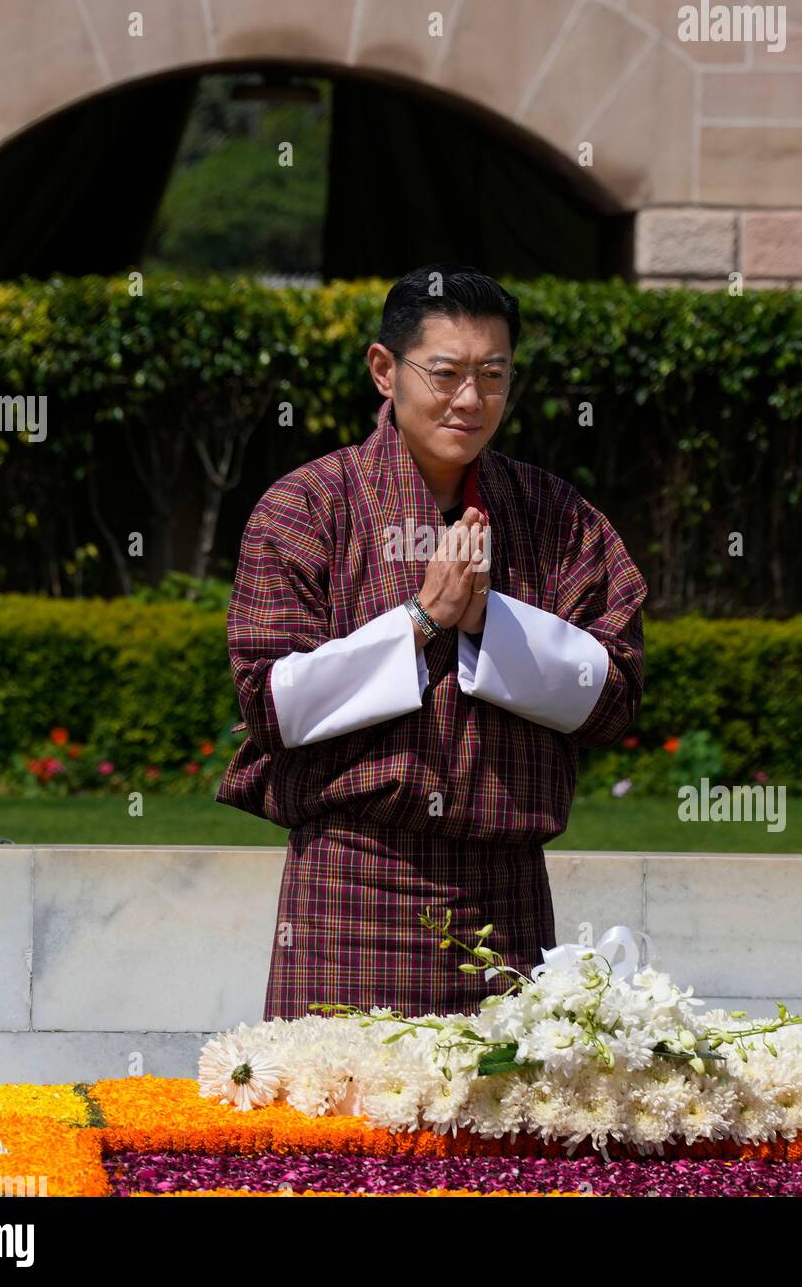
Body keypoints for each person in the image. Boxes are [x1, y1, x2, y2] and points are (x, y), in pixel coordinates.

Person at [216, 263, 648, 1020]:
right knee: (340, 1129)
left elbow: (613, 699)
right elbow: (268, 705)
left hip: (505, 885)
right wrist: (421, 621)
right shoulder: (308, 506)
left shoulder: (555, 516)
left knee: (500, 1125)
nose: (470, 400)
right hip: (355, 876)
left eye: (493, 375)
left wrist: (489, 621)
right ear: (385, 370)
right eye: (445, 373)